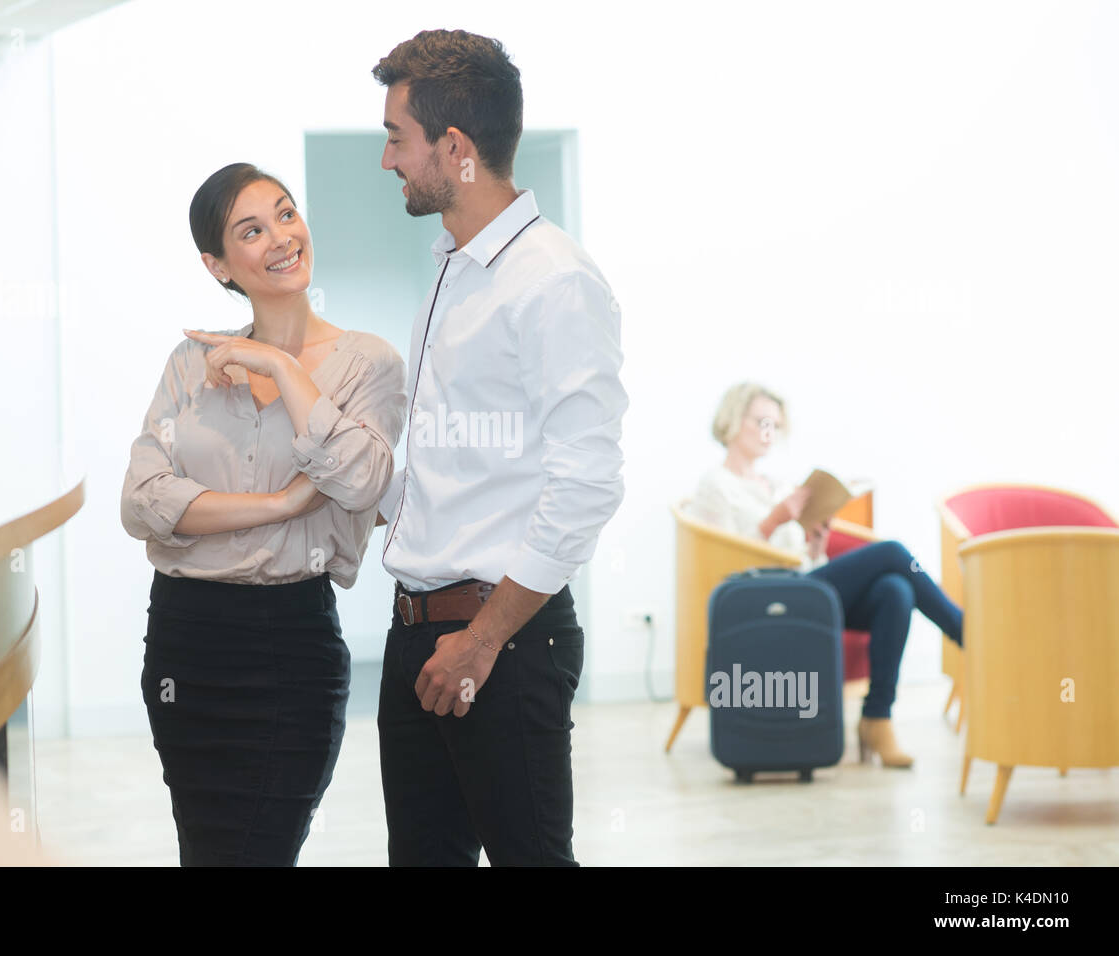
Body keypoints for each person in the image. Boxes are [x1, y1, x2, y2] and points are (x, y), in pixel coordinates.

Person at [370, 29, 628, 866]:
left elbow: (586, 482)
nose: (386, 160)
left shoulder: (554, 279)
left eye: (396, 138)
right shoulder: (454, 260)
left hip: (502, 641)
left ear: (455, 147)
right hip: (416, 628)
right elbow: (455, 461)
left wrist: (480, 640)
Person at [120, 163, 406, 865]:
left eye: (286, 213)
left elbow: (365, 480)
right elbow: (141, 502)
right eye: (252, 230)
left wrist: (281, 368)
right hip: (187, 640)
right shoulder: (192, 363)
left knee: (260, 849)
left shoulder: (368, 363)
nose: (282, 237)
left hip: (291, 645)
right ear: (218, 265)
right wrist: (281, 503)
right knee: (206, 849)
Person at [686, 382, 963, 768]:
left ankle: (877, 718)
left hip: (803, 588)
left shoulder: (777, 486)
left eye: (775, 425)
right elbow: (724, 563)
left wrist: (815, 548)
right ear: (733, 421)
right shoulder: (716, 485)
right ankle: (962, 629)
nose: (769, 433)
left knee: (894, 589)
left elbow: (800, 562)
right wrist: (773, 520)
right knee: (894, 552)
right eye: (761, 422)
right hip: (761, 597)